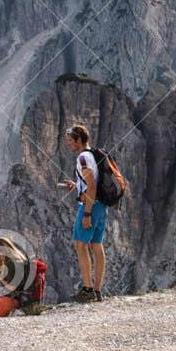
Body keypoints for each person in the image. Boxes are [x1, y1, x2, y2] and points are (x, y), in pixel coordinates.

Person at [58, 123, 110, 302]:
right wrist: (77, 185)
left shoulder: (82, 158)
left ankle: (88, 290)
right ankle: (97, 291)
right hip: (101, 205)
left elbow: (92, 186)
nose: (69, 144)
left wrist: (87, 213)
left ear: (79, 140)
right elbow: (91, 181)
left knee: (81, 245)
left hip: (90, 205)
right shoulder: (93, 155)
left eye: (71, 141)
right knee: (96, 245)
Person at [0, 237, 47, 317]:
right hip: (26, 300)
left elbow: (13, 288)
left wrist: (0, 279)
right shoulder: (20, 260)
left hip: (11, 301)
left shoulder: (11, 263)